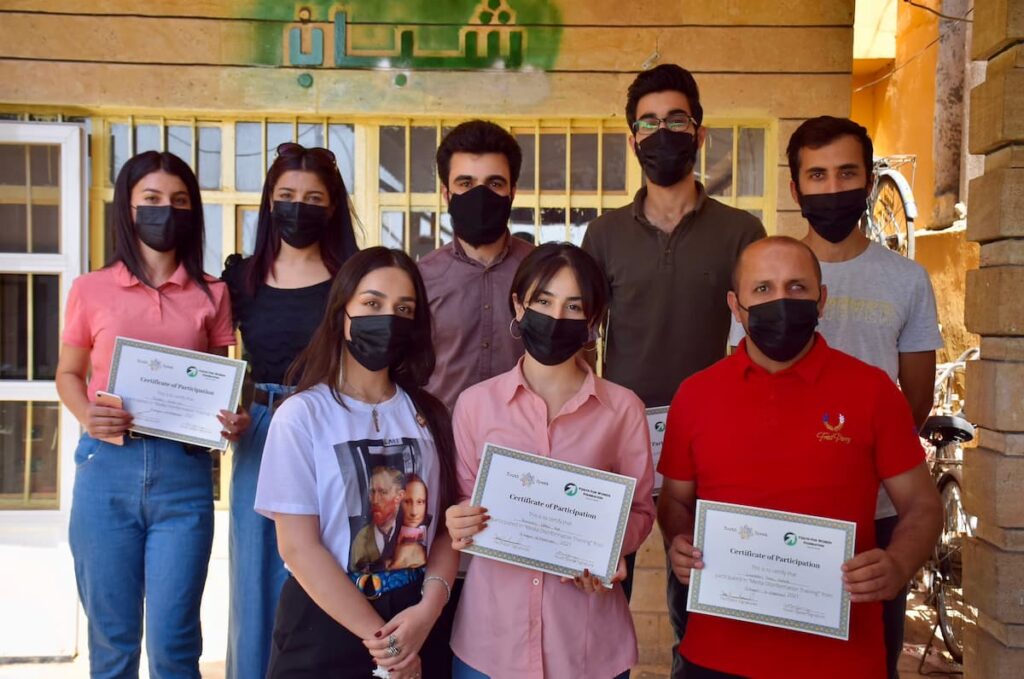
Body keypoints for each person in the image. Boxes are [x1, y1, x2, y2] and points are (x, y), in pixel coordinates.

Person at [657, 236, 942, 679]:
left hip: (842, 660)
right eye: (763, 289)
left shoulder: (874, 392)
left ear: (821, 299)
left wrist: (899, 562)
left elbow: (923, 506)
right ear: (736, 306)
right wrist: (678, 540)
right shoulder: (695, 395)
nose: (781, 301)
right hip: (714, 656)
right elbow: (674, 500)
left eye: (796, 288)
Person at [581, 63, 765, 670]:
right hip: (618, 437)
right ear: (632, 138)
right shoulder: (602, 234)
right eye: (649, 122)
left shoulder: (742, 230)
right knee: (606, 586)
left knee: (703, 593)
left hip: (711, 437)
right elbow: (583, 340)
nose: (663, 132)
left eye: (676, 119)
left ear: (700, 133)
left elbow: (757, 338)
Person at [56, 151, 240, 678]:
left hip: (182, 478)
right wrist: (87, 415)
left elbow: (219, 387)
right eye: (152, 200)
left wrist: (231, 420)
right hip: (106, 470)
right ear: (127, 209)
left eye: (180, 201)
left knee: (174, 644)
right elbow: (67, 374)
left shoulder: (212, 293)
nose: (167, 210)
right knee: (112, 644)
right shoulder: (90, 289)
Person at [445, 243, 655, 679]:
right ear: (519, 306)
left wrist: (611, 548)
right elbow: (464, 499)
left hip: (587, 644)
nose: (556, 317)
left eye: (573, 306)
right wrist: (458, 521)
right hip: (491, 644)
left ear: (592, 321)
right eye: (543, 301)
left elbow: (639, 512)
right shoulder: (475, 405)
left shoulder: (624, 409)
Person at [254, 247, 459, 678]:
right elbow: (298, 545)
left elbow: (443, 530)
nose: (388, 318)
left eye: (403, 309)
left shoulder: (431, 414)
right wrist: (388, 646)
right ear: (340, 313)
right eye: (372, 303)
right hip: (325, 622)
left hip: (418, 621)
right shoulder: (301, 415)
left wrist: (427, 611)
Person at [221, 142, 359, 679]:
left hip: (330, 429)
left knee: (325, 570)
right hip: (259, 434)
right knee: (255, 579)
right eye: (286, 196)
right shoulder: (241, 277)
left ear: (332, 205)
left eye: (312, 197)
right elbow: (218, 363)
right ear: (269, 202)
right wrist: (230, 411)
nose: (298, 207)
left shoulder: (351, 277)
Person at [418, 119, 532, 413]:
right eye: (465, 183)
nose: (480, 195)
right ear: (446, 194)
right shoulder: (421, 278)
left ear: (512, 192)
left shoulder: (543, 272)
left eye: (494, 183)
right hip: (443, 440)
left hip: (524, 447)